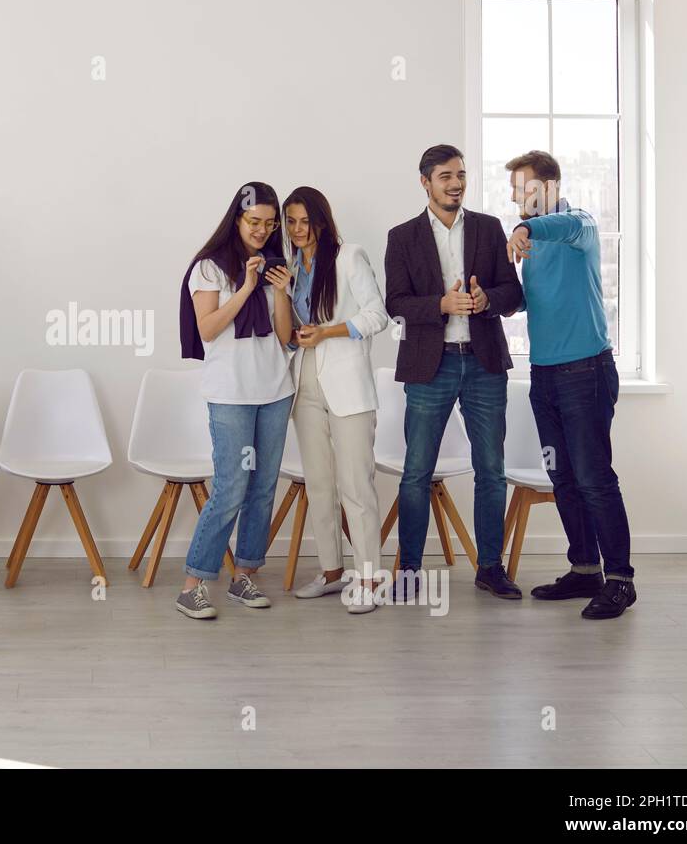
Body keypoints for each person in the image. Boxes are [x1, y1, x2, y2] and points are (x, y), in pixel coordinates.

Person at [383, 145, 524, 600]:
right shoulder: (402, 237)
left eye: (461, 175)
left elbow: (514, 294)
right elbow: (395, 304)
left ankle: (489, 567)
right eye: (445, 176)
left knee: (491, 469)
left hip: (483, 363)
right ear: (425, 182)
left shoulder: (488, 228)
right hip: (431, 365)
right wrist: (441, 305)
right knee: (416, 472)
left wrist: (488, 301)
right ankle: (408, 571)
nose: (456, 184)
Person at [505, 150, 636, 619]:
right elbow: (531, 300)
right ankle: (585, 570)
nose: (517, 198)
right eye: (515, 192)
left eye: (523, 189)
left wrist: (525, 229)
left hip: (586, 373)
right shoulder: (534, 244)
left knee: (594, 478)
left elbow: (563, 226)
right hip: (545, 377)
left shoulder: (577, 224)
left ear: (550, 186)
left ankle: (620, 580)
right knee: (563, 477)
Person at [175, 182, 295, 619]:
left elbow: (285, 337)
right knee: (231, 488)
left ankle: (245, 577)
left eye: (269, 223)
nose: (261, 230)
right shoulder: (210, 268)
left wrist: (280, 291)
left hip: (276, 391)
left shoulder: (278, 266)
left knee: (263, 489)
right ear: (237, 219)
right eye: (253, 222)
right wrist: (246, 287)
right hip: (230, 394)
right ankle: (194, 584)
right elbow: (208, 329)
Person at [281, 187, 389, 613]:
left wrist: (328, 331)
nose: (298, 229)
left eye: (306, 220)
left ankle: (368, 577)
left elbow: (376, 315)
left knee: (355, 485)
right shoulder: (290, 266)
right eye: (291, 221)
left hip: (347, 383)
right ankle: (331, 571)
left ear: (322, 222)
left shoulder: (350, 257)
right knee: (319, 484)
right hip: (304, 379)